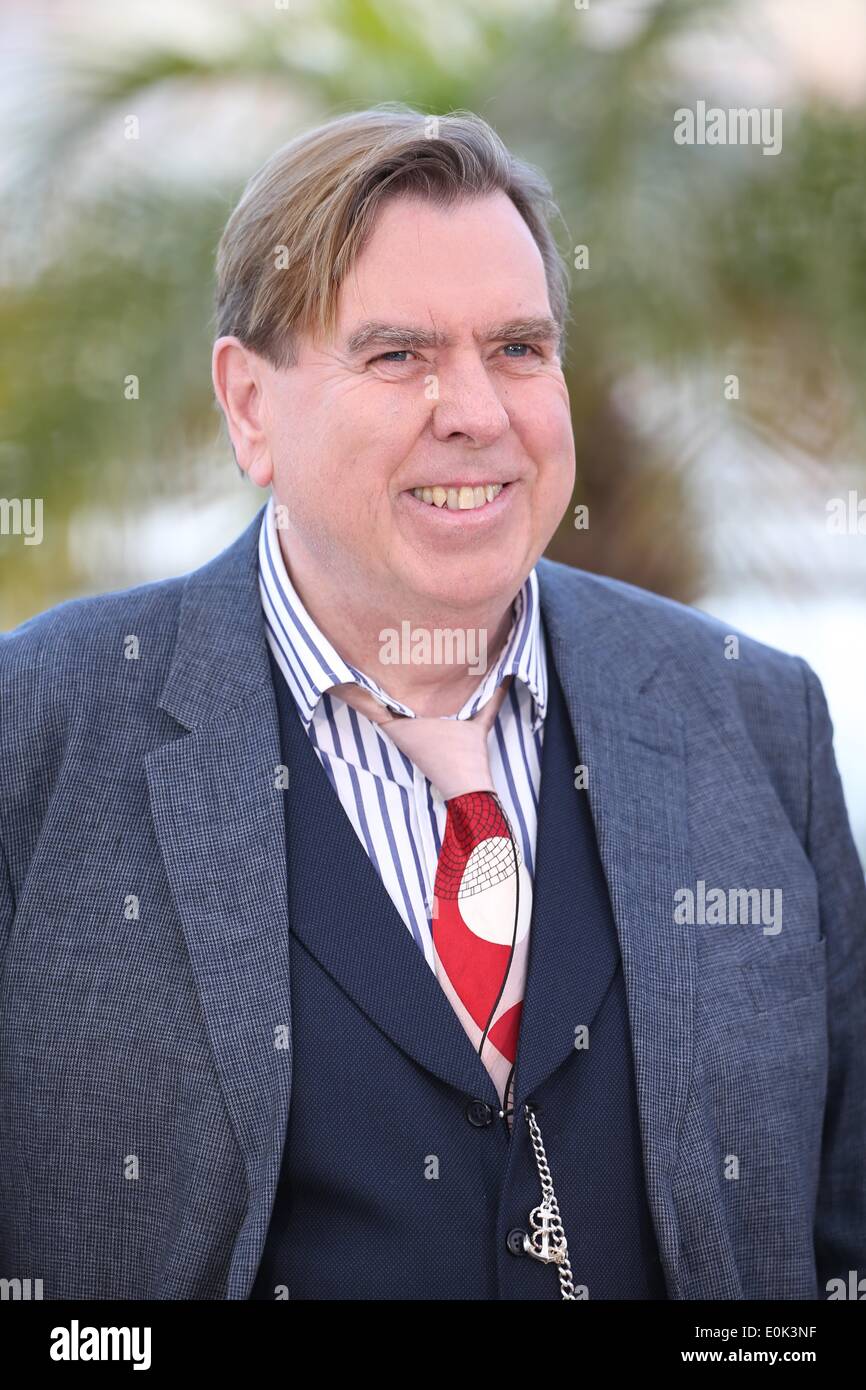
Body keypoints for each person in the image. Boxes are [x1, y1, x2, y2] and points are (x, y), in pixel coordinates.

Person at [1, 105, 864, 1301]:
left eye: (516, 348)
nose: (476, 410)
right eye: (398, 354)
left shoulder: (756, 721)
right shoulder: (38, 726)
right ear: (249, 406)